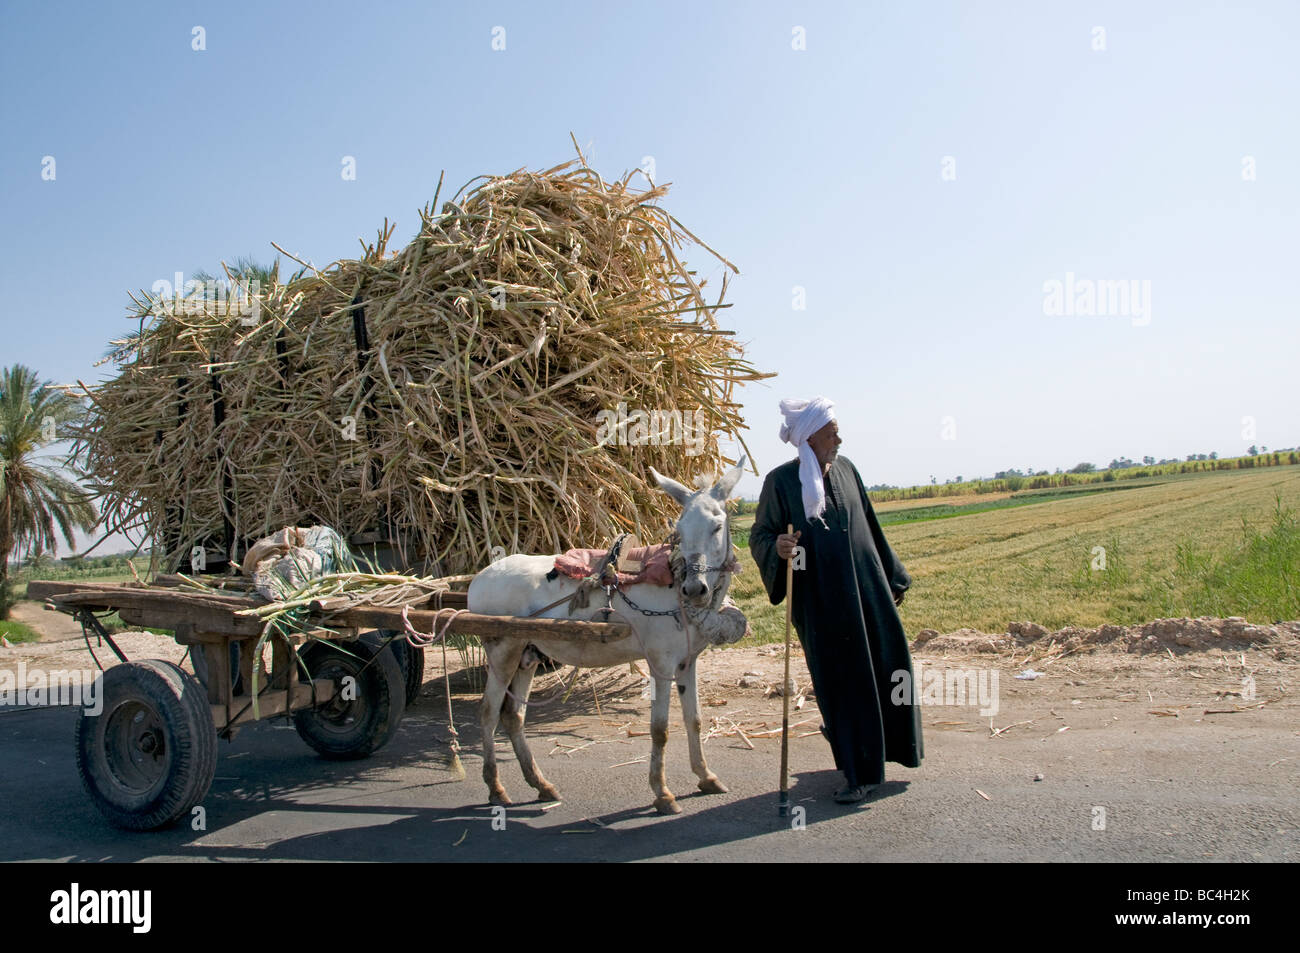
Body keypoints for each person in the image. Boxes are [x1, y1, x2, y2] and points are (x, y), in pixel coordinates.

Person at [749, 396, 923, 803]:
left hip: (868, 593)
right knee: (844, 684)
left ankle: (893, 753)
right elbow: (759, 535)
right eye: (832, 433)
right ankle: (857, 774)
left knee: (888, 669)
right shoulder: (781, 482)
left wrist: (894, 578)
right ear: (810, 439)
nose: (839, 438)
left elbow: (870, 525)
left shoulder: (847, 470)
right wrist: (778, 546)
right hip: (822, 604)